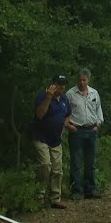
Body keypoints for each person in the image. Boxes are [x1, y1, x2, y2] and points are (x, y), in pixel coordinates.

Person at [30, 74, 71, 209]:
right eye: (59, 84)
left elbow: (68, 114)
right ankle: (39, 196)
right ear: (53, 84)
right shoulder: (43, 96)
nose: (62, 86)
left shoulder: (64, 99)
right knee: (45, 164)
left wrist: (64, 125)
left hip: (56, 139)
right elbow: (40, 114)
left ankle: (55, 198)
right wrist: (48, 97)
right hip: (41, 137)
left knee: (57, 169)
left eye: (64, 84)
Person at [65, 67, 104, 199]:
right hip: (77, 131)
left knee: (90, 162)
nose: (81, 82)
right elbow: (64, 113)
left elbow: (99, 110)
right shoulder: (70, 94)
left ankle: (90, 189)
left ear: (88, 80)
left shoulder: (94, 93)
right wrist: (69, 126)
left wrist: (98, 125)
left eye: (84, 80)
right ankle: (76, 190)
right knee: (76, 162)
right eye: (79, 80)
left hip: (91, 130)